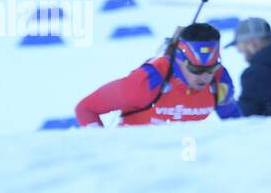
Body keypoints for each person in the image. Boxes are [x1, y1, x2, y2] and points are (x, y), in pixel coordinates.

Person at [75, 23, 242, 126]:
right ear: (179, 60)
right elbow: (85, 108)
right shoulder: (148, 81)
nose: (205, 77)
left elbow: (236, 126)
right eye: (196, 70)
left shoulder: (219, 81)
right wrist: (105, 148)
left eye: (211, 69)